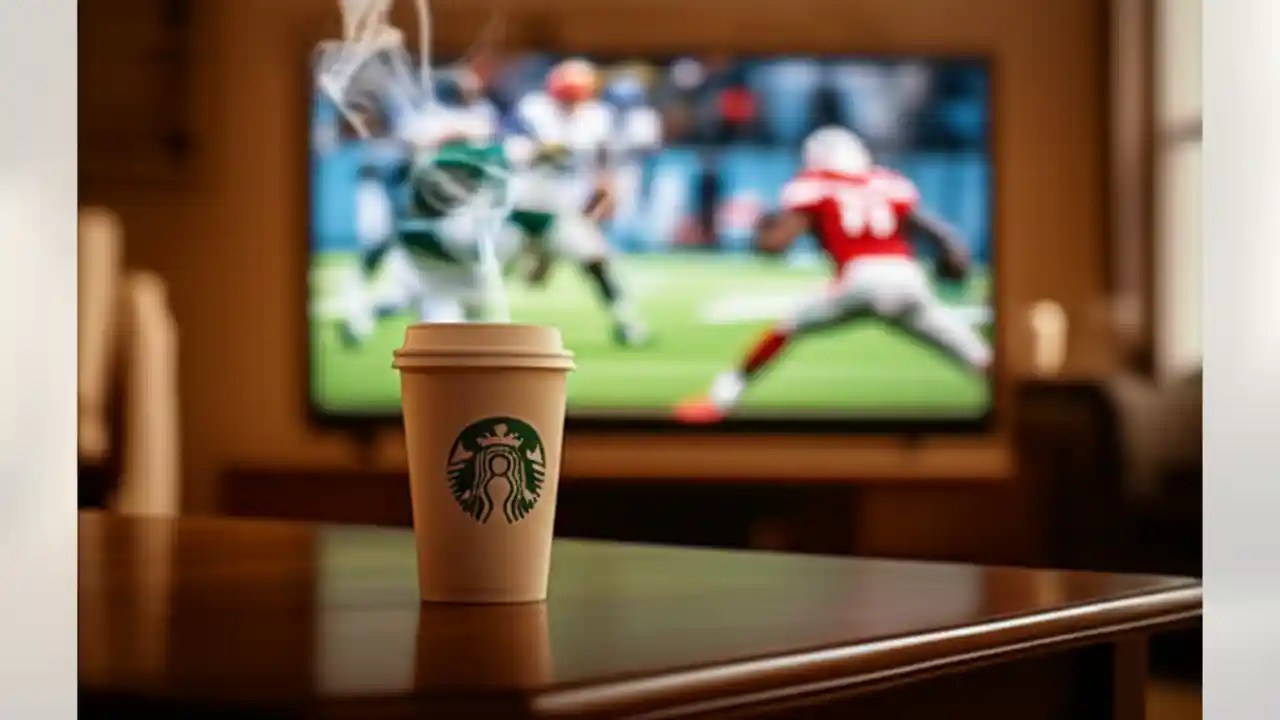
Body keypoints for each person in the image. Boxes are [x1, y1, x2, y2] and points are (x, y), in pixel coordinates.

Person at [674, 125, 991, 423]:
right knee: (971, 351)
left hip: (860, 279)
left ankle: (720, 400)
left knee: (787, 327)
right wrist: (952, 258)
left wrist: (764, 230)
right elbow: (938, 233)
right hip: (907, 277)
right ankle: (1003, 399)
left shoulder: (813, 186)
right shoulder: (888, 182)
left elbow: (775, 245)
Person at [506, 58, 650, 347]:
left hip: (562, 211)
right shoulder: (533, 110)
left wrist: (593, 210)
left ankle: (626, 321)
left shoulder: (597, 118)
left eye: (574, 96)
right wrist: (541, 151)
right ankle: (464, 321)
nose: (569, 103)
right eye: (565, 96)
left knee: (597, 261)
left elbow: (604, 172)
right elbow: (513, 151)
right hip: (520, 208)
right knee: (489, 265)